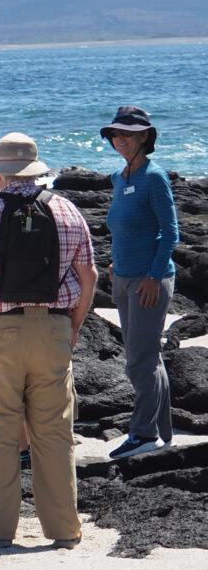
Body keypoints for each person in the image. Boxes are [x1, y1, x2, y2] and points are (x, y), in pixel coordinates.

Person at [0, 132, 97, 549]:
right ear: (36, 169)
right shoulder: (66, 210)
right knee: (54, 433)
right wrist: (74, 327)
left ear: (1, 173)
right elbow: (89, 277)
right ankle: (64, 531)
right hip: (54, 328)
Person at [99, 105, 180, 459]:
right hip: (124, 279)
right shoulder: (121, 178)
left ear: (145, 136)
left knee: (139, 361)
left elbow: (170, 232)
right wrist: (118, 262)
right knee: (147, 357)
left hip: (151, 281)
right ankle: (163, 431)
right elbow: (126, 227)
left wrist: (152, 275)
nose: (120, 141)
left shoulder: (155, 176)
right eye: (116, 135)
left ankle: (143, 434)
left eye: (127, 135)